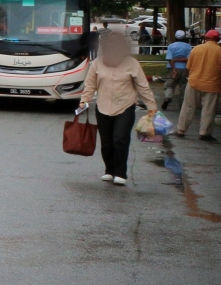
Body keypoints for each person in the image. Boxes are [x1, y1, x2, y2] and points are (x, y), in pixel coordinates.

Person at [78, 30, 157, 185]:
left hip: (125, 107)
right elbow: (90, 85)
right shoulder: (98, 63)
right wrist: (83, 102)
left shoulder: (132, 63)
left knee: (120, 139)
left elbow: (143, 86)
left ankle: (121, 173)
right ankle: (109, 170)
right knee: (106, 142)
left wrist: (151, 105)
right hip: (102, 107)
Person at [175, 28, 221, 141]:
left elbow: (188, 67)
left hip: (194, 82)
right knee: (209, 110)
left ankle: (181, 130)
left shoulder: (196, 49)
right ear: (218, 38)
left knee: (188, 107)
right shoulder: (219, 51)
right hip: (212, 85)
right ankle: (204, 133)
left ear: (206, 38)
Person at [162, 29, 191, 111]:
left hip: (173, 68)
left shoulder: (171, 46)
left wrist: (174, 67)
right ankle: (182, 104)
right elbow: (189, 59)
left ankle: (167, 97)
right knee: (183, 86)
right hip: (184, 69)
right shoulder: (188, 46)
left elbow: (169, 58)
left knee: (170, 85)